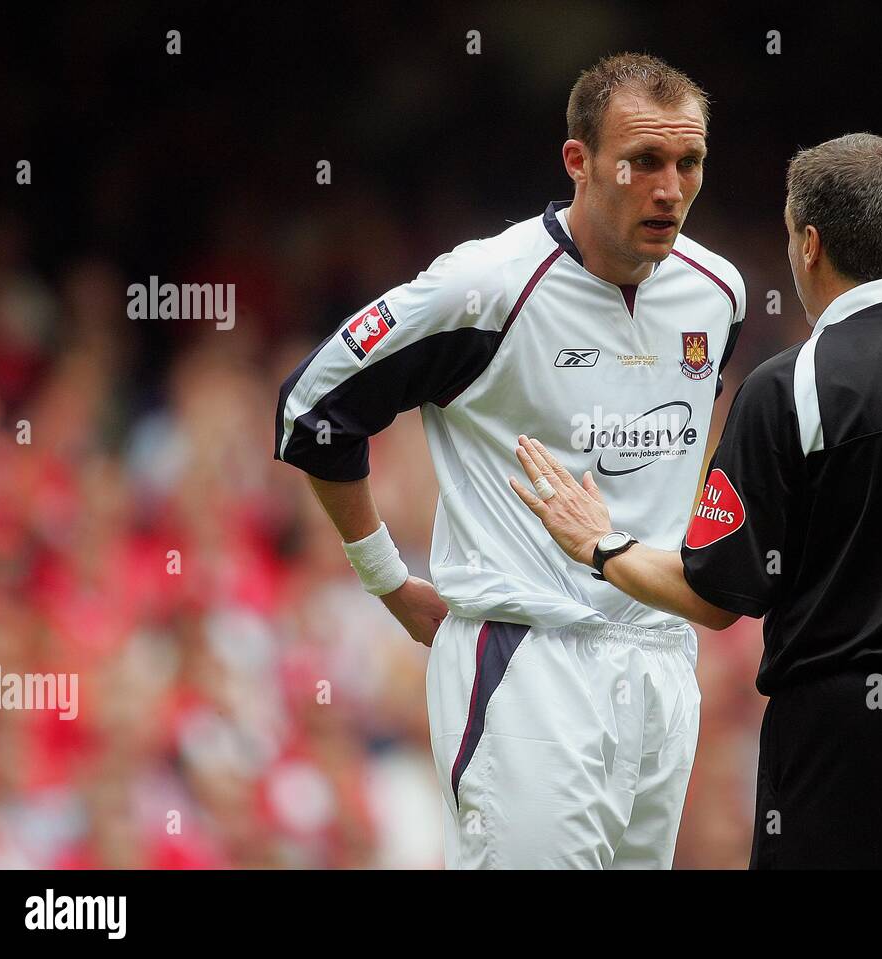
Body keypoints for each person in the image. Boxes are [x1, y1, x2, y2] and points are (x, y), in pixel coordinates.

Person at [511, 133, 882, 868]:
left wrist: (601, 546)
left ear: (811, 243)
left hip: (849, 738)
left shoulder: (792, 383)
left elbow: (714, 593)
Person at [274, 53, 745, 869]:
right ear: (579, 160)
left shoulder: (718, 292)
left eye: (688, 162)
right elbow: (313, 408)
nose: (669, 189)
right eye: (642, 162)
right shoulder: (484, 286)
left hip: (664, 663)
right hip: (529, 659)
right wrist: (385, 576)